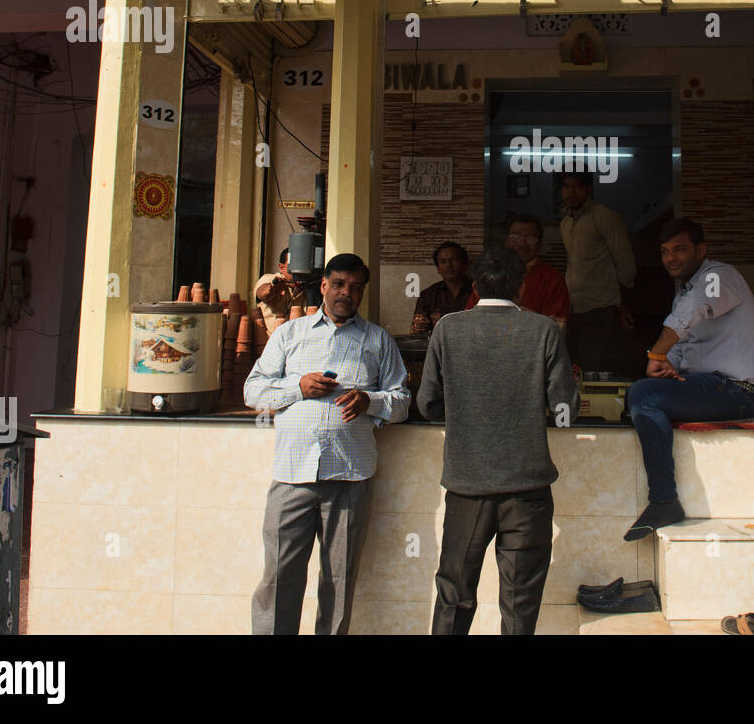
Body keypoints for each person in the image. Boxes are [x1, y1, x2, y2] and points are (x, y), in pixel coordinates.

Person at [244, 252, 410, 634]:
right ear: (323, 286)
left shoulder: (377, 340)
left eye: (355, 288)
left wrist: (371, 401)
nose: (345, 293)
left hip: (350, 478)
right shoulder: (290, 333)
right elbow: (253, 392)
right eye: (338, 284)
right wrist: (297, 387)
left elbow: (401, 401)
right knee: (279, 579)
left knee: (338, 580)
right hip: (292, 475)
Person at [418, 247, 578, 635]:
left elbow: (427, 404)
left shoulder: (448, 329)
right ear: (521, 287)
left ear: (475, 286)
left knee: (454, 593)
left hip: (467, 487)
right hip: (528, 490)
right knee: (520, 602)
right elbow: (564, 412)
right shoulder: (543, 330)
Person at [623, 218, 754, 542]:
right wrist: (669, 366)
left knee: (644, 396)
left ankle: (664, 501)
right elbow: (685, 342)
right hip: (709, 385)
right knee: (642, 394)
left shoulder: (719, 276)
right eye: (664, 252)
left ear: (700, 250)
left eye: (679, 250)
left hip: (737, 390)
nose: (670, 258)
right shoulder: (684, 292)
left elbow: (694, 312)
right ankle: (663, 500)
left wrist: (658, 355)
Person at [559, 172, 637, 374]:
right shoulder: (565, 223)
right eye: (566, 187)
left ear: (588, 189)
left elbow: (625, 261)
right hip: (573, 307)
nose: (571, 192)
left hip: (601, 307)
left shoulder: (603, 216)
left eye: (577, 187)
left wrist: (622, 304)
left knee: (592, 369)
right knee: (571, 368)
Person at [465, 213, 570, 328]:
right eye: (515, 237)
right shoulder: (490, 273)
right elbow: (470, 317)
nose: (522, 243)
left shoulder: (553, 279)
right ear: (506, 241)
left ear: (540, 244)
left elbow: (558, 325)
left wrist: (525, 316)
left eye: (530, 238)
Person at [411, 241, 473, 333]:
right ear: (438, 268)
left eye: (454, 259)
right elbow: (419, 333)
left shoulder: (479, 291)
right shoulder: (428, 296)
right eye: (443, 261)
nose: (448, 265)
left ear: (465, 264)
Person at [253, 248, 307, 326]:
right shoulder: (269, 278)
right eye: (294, 266)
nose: (298, 271)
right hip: (269, 337)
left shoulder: (306, 286)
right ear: (281, 268)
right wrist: (271, 289)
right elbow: (261, 293)